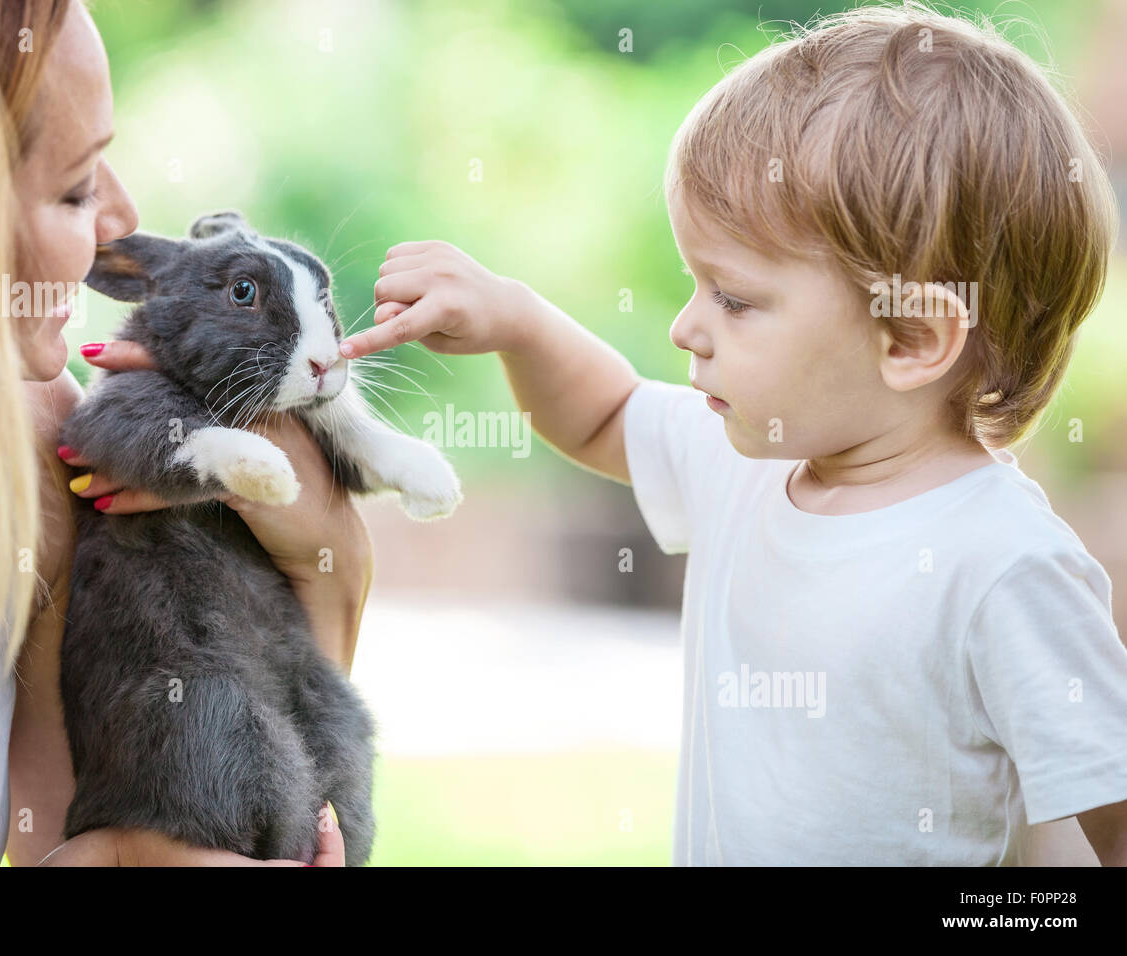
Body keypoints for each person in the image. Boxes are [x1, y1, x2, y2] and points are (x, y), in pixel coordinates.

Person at [339, 3, 1127, 864]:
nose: (685, 327)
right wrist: (517, 322)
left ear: (909, 338)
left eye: (735, 299)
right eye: (693, 284)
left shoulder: (1005, 565)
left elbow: (1109, 810)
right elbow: (604, 414)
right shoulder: (744, 463)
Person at [0, 0, 368, 866]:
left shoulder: (40, 442)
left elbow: (95, 830)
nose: (123, 221)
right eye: (77, 188)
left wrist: (329, 562)